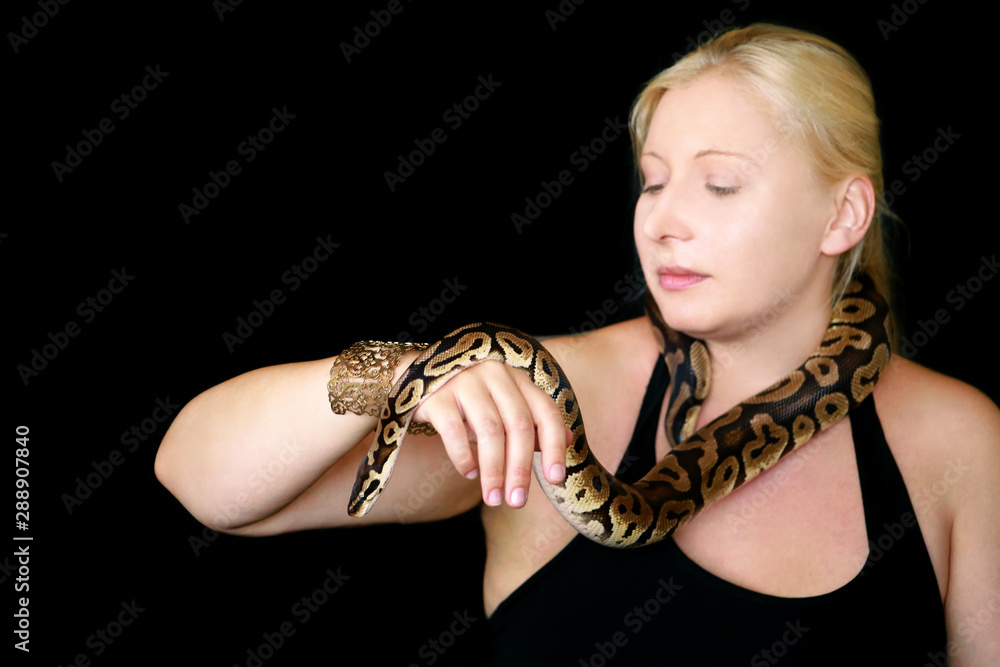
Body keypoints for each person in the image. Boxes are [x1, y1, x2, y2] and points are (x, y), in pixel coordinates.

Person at [154, 23, 999, 665]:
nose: (663, 222)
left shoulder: (958, 443)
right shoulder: (548, 398)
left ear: (842, 215)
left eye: (720, 183)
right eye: (654, 181)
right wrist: (399, 373)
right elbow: (200, 480)